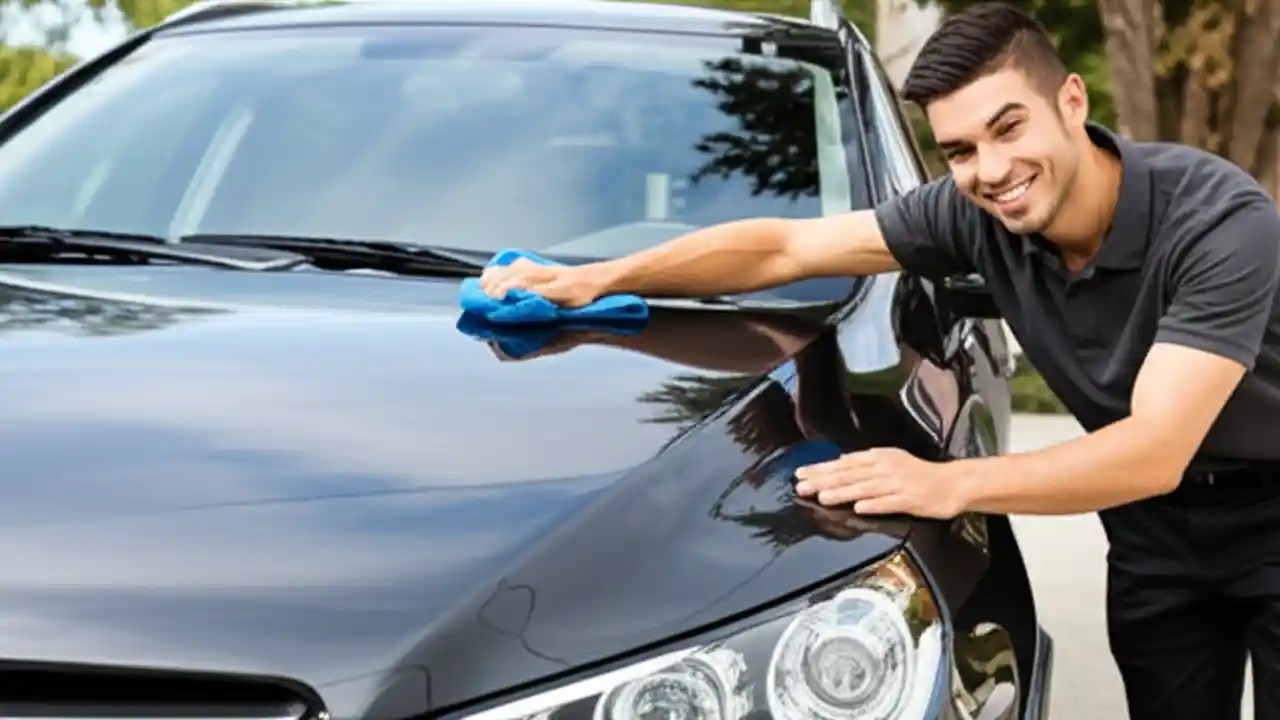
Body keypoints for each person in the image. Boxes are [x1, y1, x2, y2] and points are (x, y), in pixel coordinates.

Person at [480, 3, 1280, 717]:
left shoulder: (1219, 224)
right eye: (959, 150)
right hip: (1150, 535)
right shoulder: (975, 215)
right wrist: (599, 278)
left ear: (1072, 101)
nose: (990, 171)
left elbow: (1154, 449)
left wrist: (947, 483)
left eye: (1009, 129)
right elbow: (785, 249)